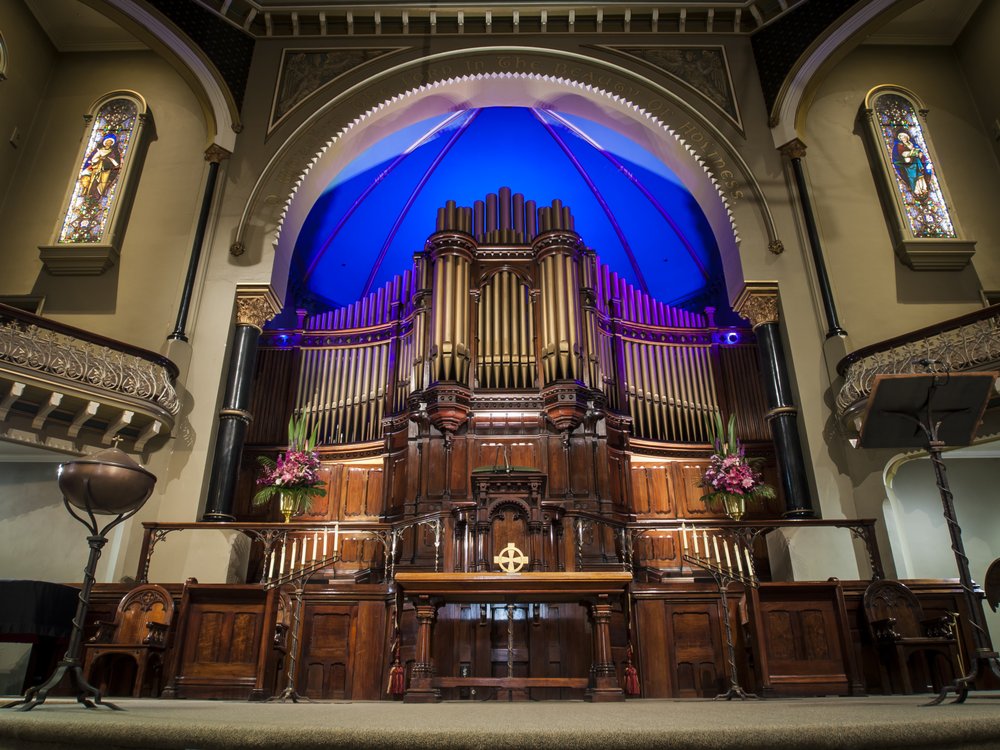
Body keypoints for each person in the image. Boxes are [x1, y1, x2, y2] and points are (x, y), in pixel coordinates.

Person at [79, 133, 122, 199]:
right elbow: (93, 159)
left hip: (106, 169)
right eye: (107, 142)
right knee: (93, 180)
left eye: (110, 142)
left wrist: (107, 159)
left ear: (112, 143)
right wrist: (99, 159)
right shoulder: (100, 150)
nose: (109, 143)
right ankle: (89, 193)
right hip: (97, 168)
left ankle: (100, 195)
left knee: (103, 182)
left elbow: (115, 162)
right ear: (105, 142)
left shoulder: (113, 152)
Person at [892, 130, 928, 198]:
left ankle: (923, 189)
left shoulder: (911, 144)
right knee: (912, 177)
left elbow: (916, 150)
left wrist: (918, 153)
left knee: (920, 175)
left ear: (907, 138)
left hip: (915, 161)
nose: (903, 139)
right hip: (909, 164)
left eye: (904, 137)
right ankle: (916, 190)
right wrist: (910, 153)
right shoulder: (900, 146)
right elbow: (902, 154)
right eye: (902, 138)